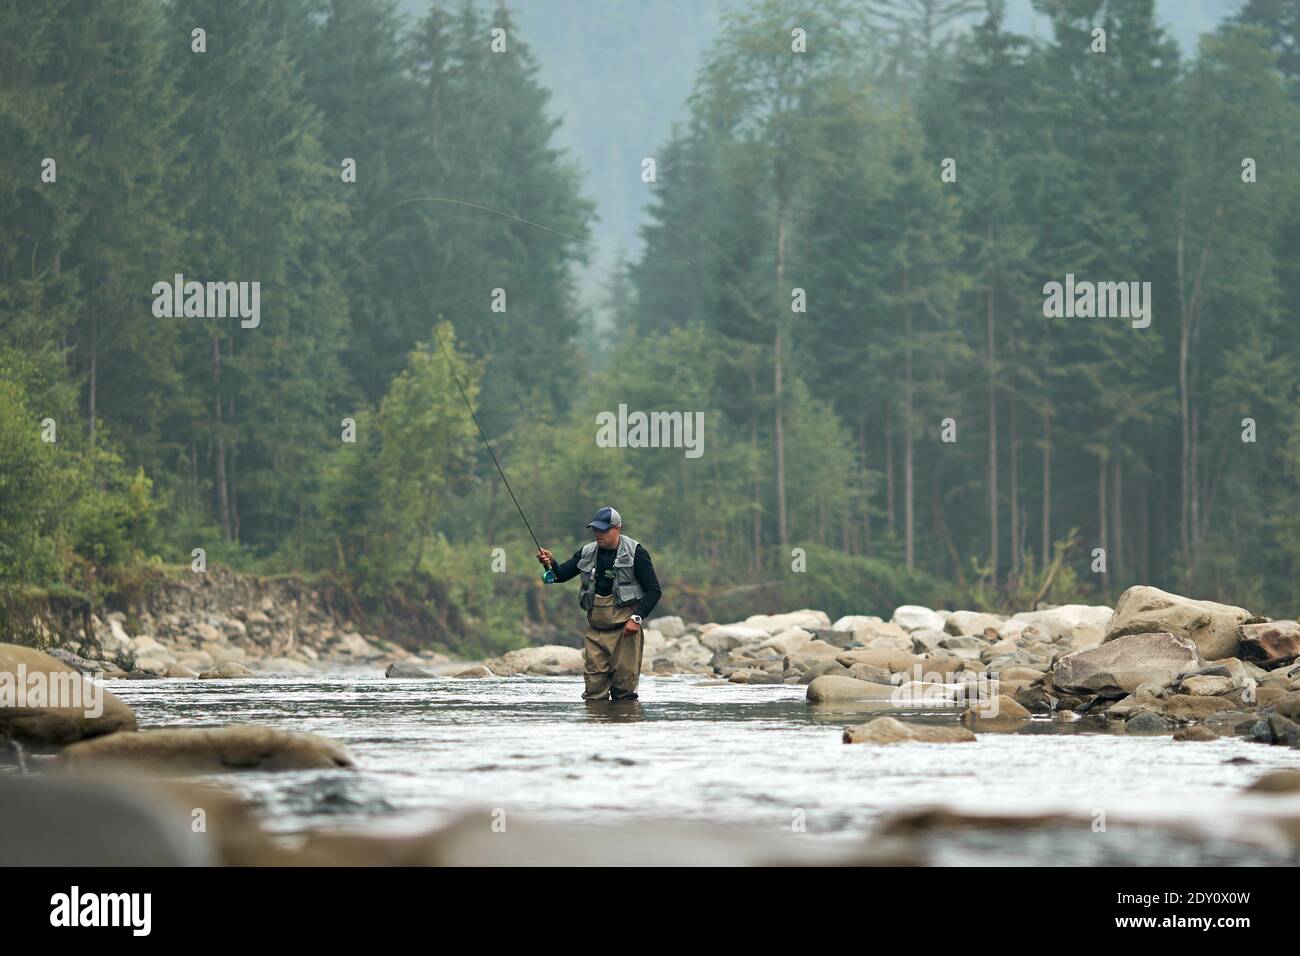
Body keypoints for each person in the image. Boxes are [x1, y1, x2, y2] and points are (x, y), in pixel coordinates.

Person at [536, 506, 662, 701]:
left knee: (624, 691)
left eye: (602, 530)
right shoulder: (587, 552)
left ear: (617, 529)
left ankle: (624, 728)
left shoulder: (637, 553)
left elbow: (654, 590)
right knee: (594, 691)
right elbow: (561, 575)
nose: (598, 534)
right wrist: (550, 562)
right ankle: (596, 729)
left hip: (625, 632)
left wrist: (636, 619)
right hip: (596, 631)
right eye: (595, 530)